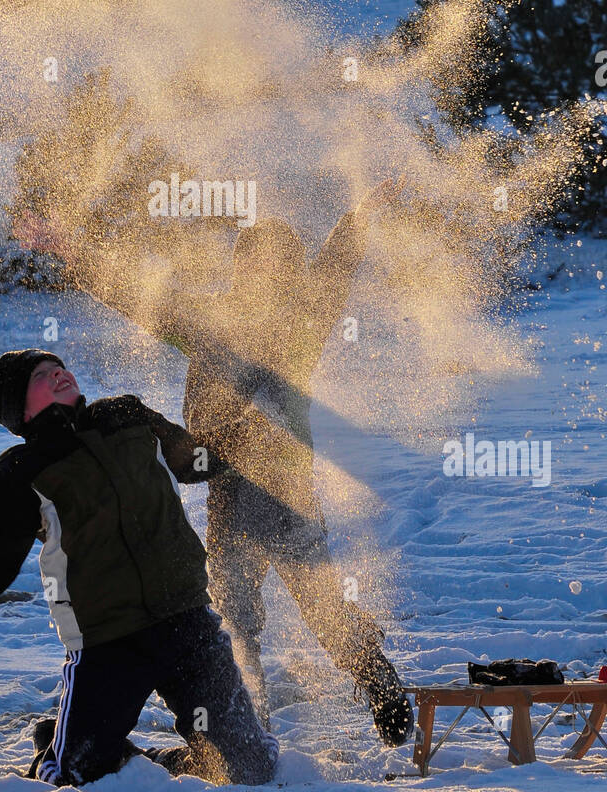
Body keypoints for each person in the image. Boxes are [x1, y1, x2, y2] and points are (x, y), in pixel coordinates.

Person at [30, 179, 415, 746]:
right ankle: (243, 721)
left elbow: (334, 271)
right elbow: (138, 296)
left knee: (313, 607)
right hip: (232, 494)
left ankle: (374, 685)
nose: (258, 276)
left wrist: (359, 217)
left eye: (273, 268)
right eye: (250, 265)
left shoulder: (296, 325)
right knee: (235, 613)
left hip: (286, 495)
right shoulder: (214, 329)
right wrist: (71, 250)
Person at [0, 350, 279, 788]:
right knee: (72, 776)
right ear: (19, 406)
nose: (58, 373)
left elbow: (195, 460)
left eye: (59, 366)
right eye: (41, 374)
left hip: (189, 625)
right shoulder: (21, 471)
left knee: (254, 766)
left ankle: (158, 764)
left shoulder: (126, 416)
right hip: (109, 645)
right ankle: (55, 741)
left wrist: (244, 442)